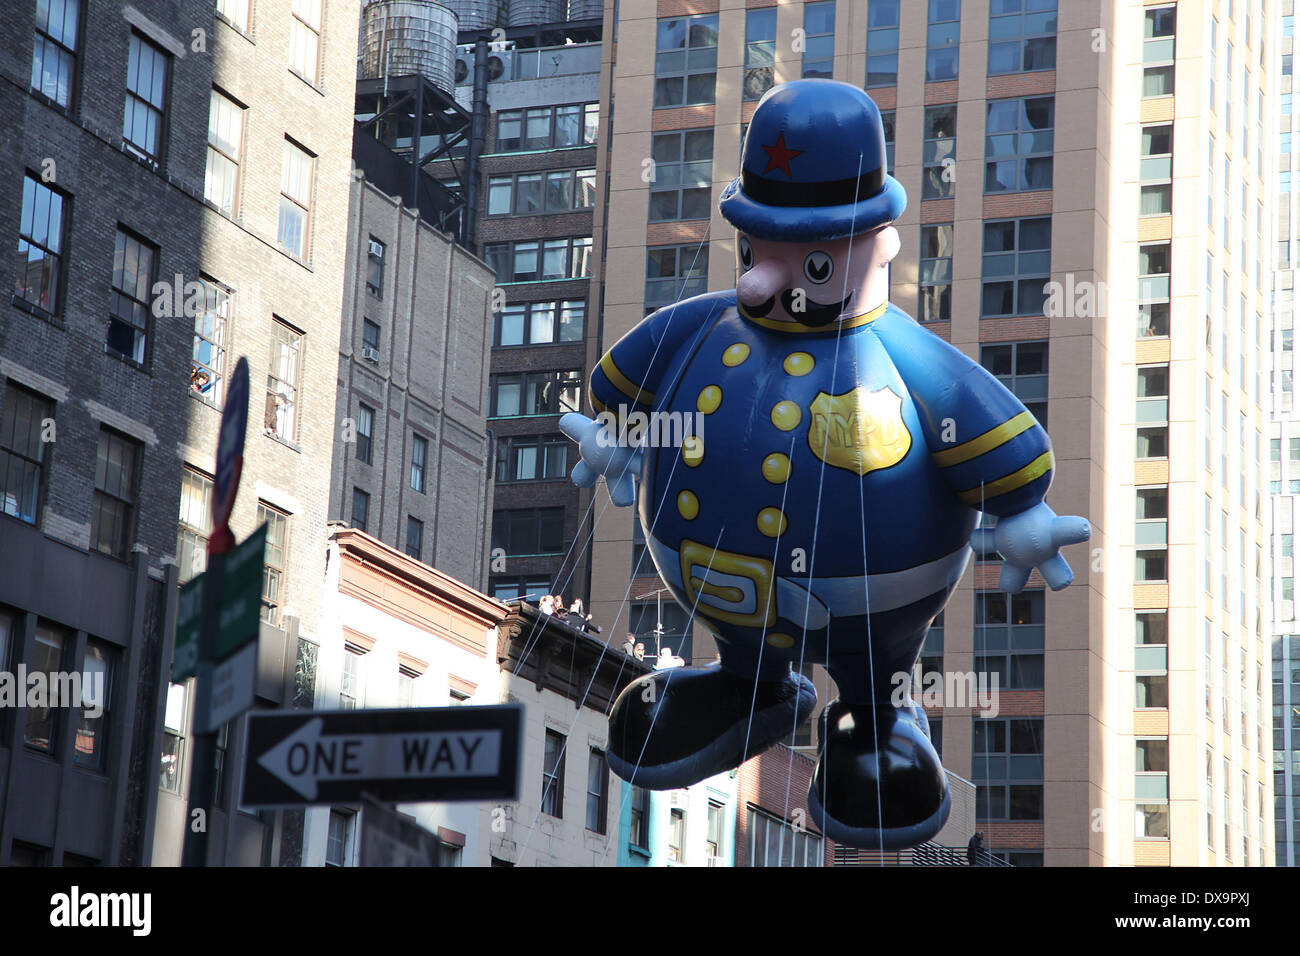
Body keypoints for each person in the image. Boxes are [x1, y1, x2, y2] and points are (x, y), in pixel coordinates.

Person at [560, 79, 1090, 852]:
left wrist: (1023, 508)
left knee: (871, 673)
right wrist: (613, 430)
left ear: (880, 245)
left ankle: (873, 717)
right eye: (753, 251)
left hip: (877, 600)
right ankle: (747, 688)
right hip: (719, 580)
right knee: (742, 657)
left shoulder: (906, 359)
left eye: (808, 263)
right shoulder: (698, 326)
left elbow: (993, 430)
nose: (758, 281)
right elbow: (619, 384)